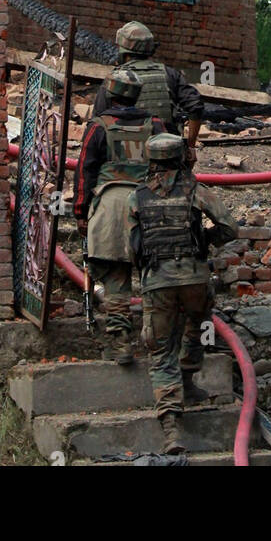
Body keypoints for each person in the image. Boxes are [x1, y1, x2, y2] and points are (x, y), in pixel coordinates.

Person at [128, 133, 239, 455]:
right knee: (200, 326)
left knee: (161, 351)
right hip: (195, 278)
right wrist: (203, 242)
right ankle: (189, 380)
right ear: (181, 158)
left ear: (150, 160)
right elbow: (230, 228)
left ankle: (171, 429)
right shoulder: (196, 190)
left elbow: (132, 249)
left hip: (157, 281)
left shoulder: (136, 197)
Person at [73, 67, 166, 364]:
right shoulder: (156, 125)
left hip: (110, 207)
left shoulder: (99, 126)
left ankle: (122, 343)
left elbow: (85, 171)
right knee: (154, 277)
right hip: (149, 206)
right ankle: (157, 343)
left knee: (115, 281)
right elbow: (170, 168)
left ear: (110, 94)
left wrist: (80, 212)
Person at [93, 21, 204, 163]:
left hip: (125, 158)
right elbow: (195, 106)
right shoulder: (169, 74)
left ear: (123, 51)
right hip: (165, 159)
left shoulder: (114, 79)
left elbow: (97, 123)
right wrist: (190, 147)